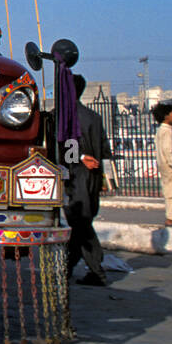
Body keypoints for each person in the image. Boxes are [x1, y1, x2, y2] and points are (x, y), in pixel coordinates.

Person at [64, 75, 111, 286]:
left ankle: (96, 269)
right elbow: (104, 150)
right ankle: (68, 267)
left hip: (76, 175)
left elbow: (68, 151)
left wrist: (81, 157)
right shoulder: (94, 117)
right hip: (93, 176)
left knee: (80, 222)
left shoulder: (64, 118)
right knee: (81, 221)